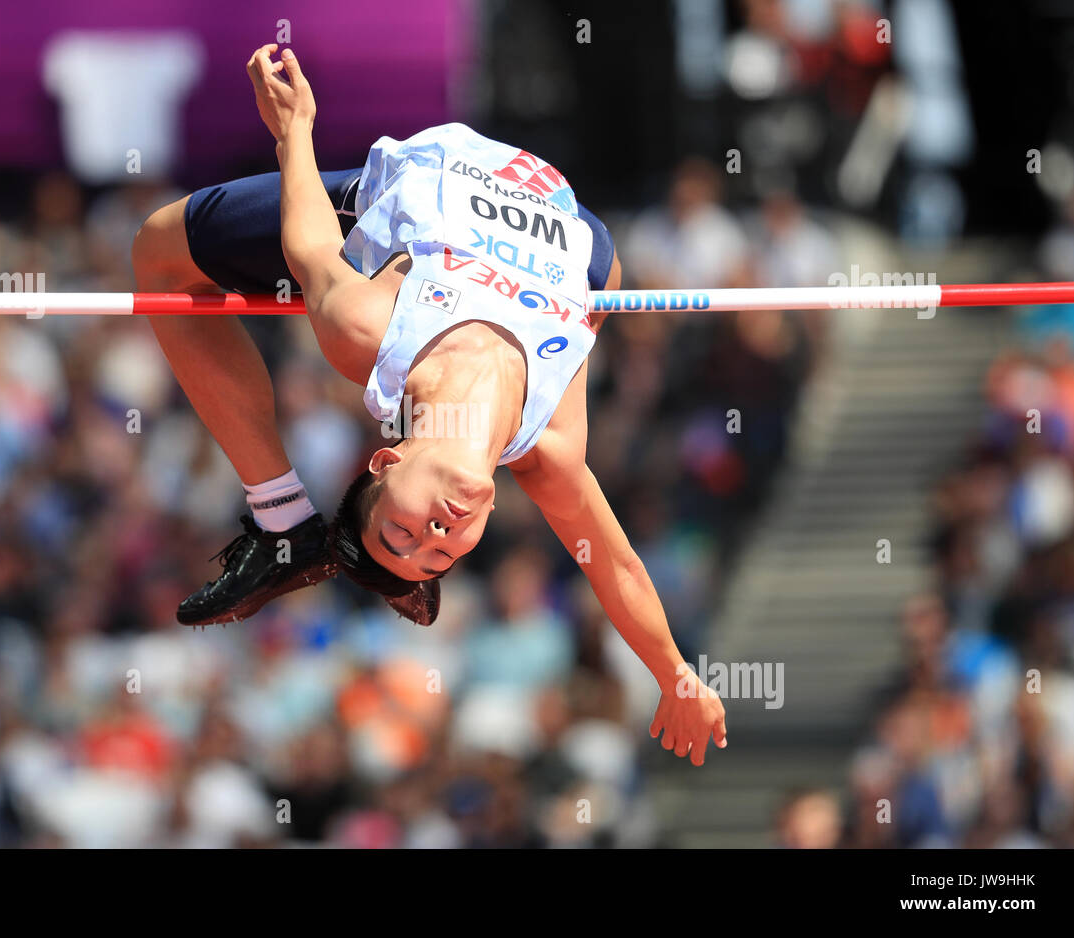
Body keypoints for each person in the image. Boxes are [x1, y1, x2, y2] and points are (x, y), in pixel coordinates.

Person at [132, 44, 727, 765]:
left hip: (416, 196)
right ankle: (293, 525)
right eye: (442, 554)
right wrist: (676, 677)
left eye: (403, 535)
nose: (435, 536)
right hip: (579, 237)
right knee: (603, 276)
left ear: (387, 456)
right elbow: (619, 566)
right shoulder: (551, 451)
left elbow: (310, 249)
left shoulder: (366, 331)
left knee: (159, 255)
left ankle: (281, 515)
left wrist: (294, 130)